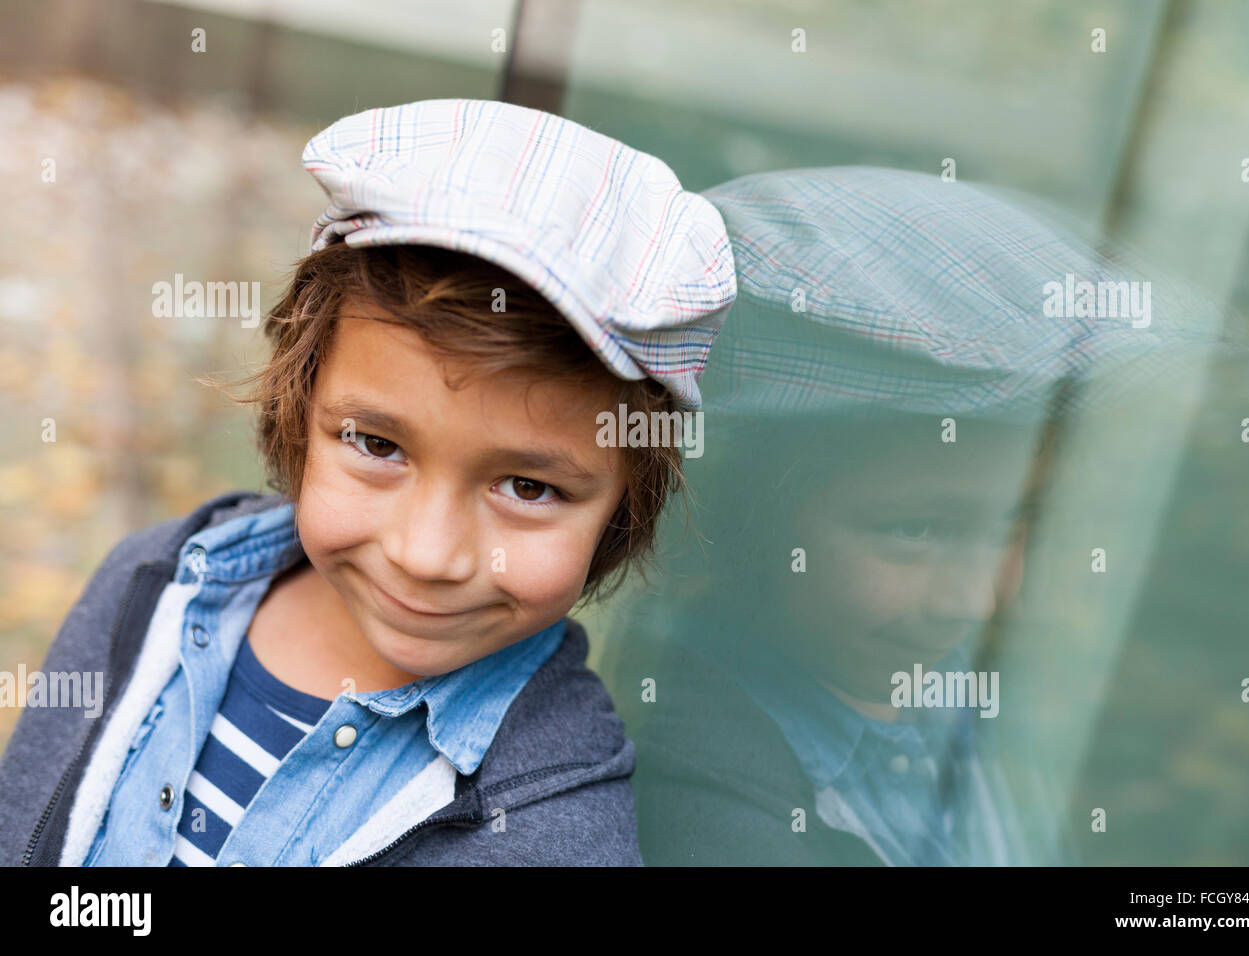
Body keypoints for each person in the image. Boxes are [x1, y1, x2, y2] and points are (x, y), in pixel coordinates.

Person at [0, 98, 736, 866]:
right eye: (379, 445)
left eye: (527, 488)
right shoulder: (151, 583)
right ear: (300, 403)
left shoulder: (554, 837)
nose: (426, 554)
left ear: (624, 506)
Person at [598, 165, 1227, 865]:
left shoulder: (955, 703)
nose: (977, 597)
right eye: (915, 531)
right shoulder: (701, 800)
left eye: (1014, 524)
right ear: (749, 517)